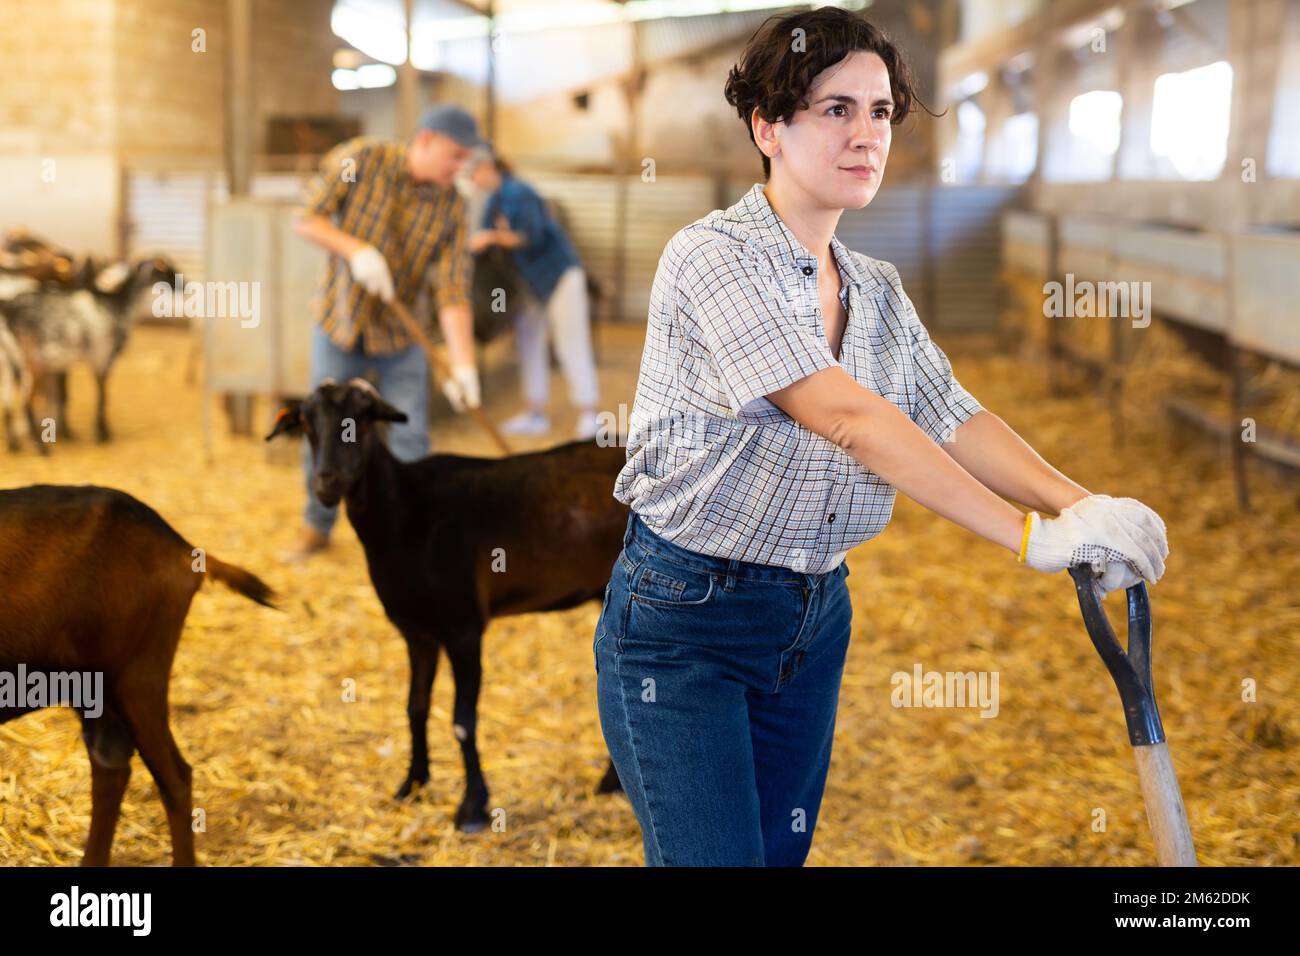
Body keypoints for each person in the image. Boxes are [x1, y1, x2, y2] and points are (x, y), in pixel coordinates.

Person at [592, 7, 1169, 867]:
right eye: (836, 110)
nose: (867, 135)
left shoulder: (876, 286)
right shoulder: (711, 256)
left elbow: (952, 412)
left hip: (815, 617)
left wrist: (1086, 508)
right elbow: (851, 418)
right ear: (767, 127)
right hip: (685, 624)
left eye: (882, 111)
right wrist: (1027, 537)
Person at [286, 105, 485, 559]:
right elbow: (306, 217)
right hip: (342, 324)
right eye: (455, 157)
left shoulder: (453, 206)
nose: (460, 169)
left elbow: (453, 291)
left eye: (465, 161)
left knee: (411, 434)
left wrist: (463, 366)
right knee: (325, 431)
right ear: (427, 140)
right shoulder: (362, 159)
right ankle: (316, 526)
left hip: (401, 336)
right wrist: (356, 251)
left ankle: (409, 530)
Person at [464, 146, 601, 440]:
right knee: (528, 341)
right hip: (529, 284)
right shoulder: (494, 201)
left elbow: (531, 236)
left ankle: (590, 415)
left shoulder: (519, 192)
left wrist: (492, 237)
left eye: (473, 174)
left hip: (559, 274)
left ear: (487, 168)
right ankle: (534, 413)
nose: (472, 182)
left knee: (570, 342)